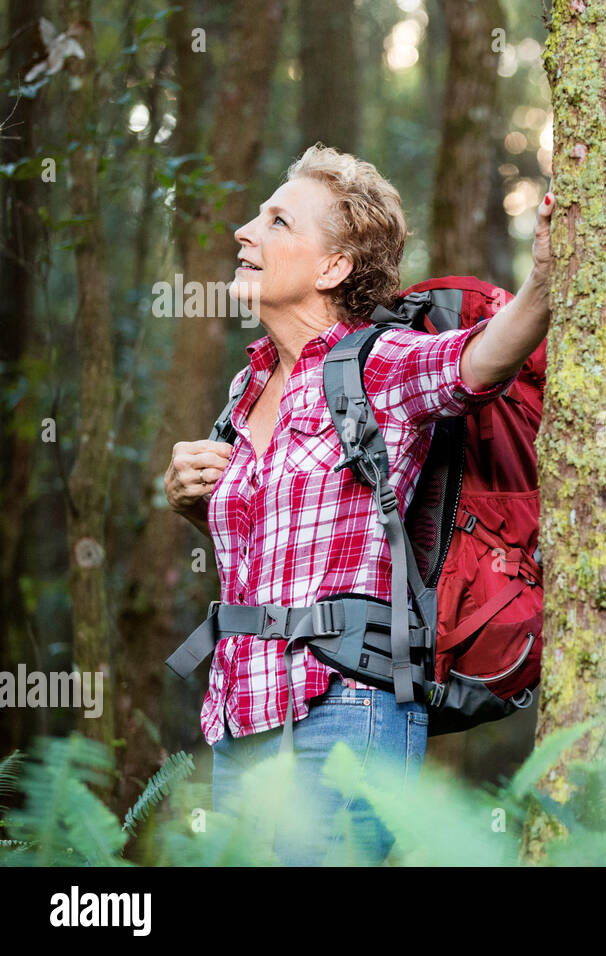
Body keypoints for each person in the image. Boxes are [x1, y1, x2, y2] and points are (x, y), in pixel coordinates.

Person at [163, 144, 554, 864]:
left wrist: (545, 280)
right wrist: (191, 502)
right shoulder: (243, 392)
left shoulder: (376, 365)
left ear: (333, 268)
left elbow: (476, 363)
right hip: (237, 719)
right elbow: (262, 555)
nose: (245, 232)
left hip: (344, 712)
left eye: (277, 221)